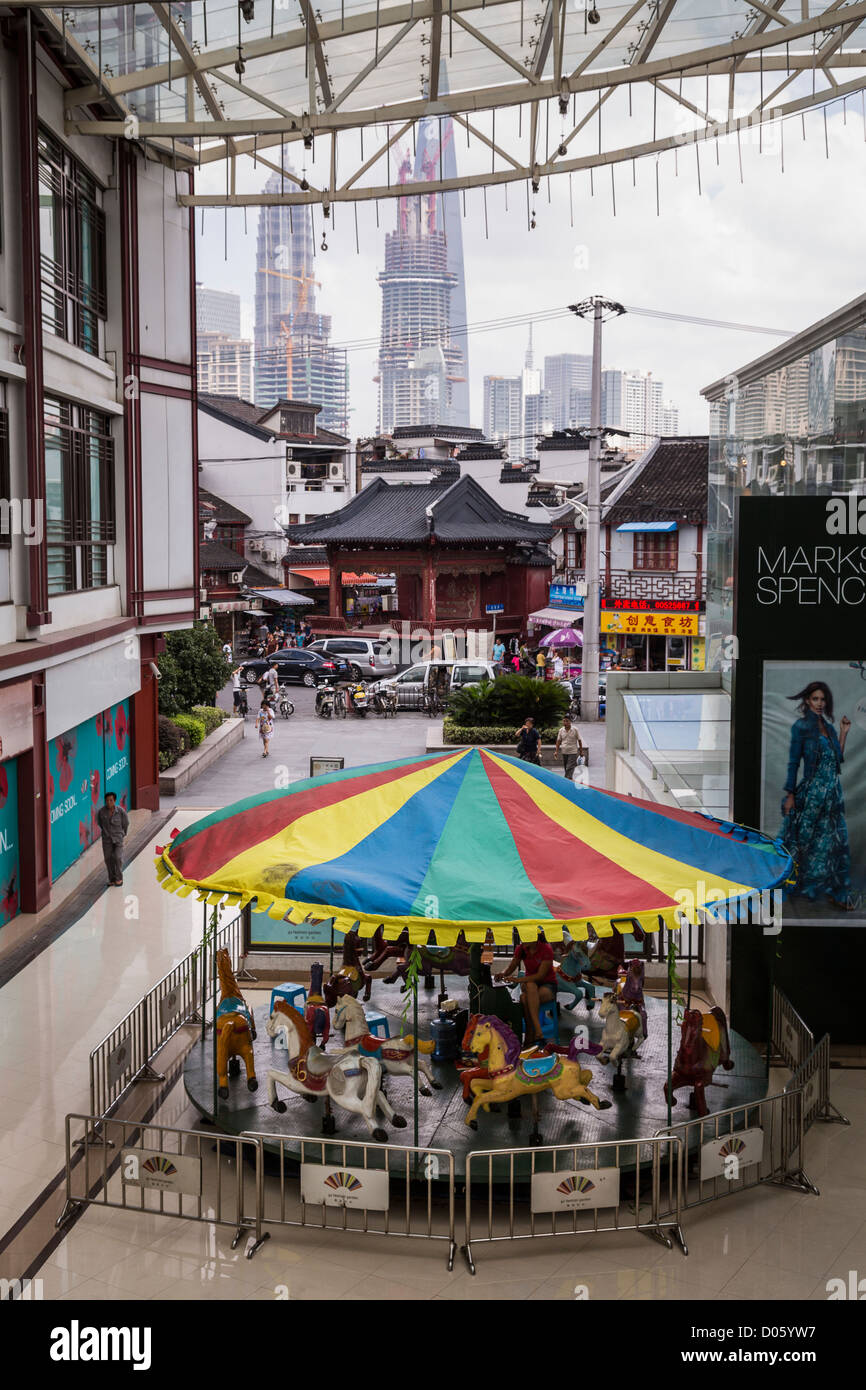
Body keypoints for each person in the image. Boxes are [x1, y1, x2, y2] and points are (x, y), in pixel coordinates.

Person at [781, 681, 852, 909]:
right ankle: (800, 885)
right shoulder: (801, 728)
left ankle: (832, 890)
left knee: (834, 840)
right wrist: (790, 794)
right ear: (807, 701)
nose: (820, 703)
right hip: (814, 793)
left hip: (832, 792)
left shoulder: (829, 728)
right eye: (815, 699)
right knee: (806, 840)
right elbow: (793, 763)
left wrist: (843, 733)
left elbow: (836, 759)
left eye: (823, 700)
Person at [495, 936, 557, 1045]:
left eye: (526, 936)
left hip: (548, 985)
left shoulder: (546, 949)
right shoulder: (521, 948)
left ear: (534, 938)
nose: (523, 940)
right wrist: (503, 973)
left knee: (524, 998)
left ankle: (530, 1034)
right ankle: (538, 1031)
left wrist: (518, 980)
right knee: (530, 985)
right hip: (529, 985)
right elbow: (512, 966)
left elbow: (540, 976)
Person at [96, 791, 129, 887]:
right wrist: (106, 833)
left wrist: (123, 834)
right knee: (108, 858)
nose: (109, 802)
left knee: (118, 857)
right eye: (107, 800)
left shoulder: (121, 811)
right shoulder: (101, 812)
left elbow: (126, 823)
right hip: (107, 840)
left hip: (118, 838)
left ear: (114, 801)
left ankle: (119, 878)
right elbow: (100, 823)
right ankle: (112, 878)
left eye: (111, 800)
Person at [555, 714, 585, 781]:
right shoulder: (561, 730)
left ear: (570, 721)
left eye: (567, 721)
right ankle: (570, 780)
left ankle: (565, 781)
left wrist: (581, 751)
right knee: (567, 768)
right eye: (564, 721)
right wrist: (556, 751)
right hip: (564, 751)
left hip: (573, 751)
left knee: (569, 767)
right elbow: (558, 741)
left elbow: (579, 740)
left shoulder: (575, 729)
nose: (565, 723)